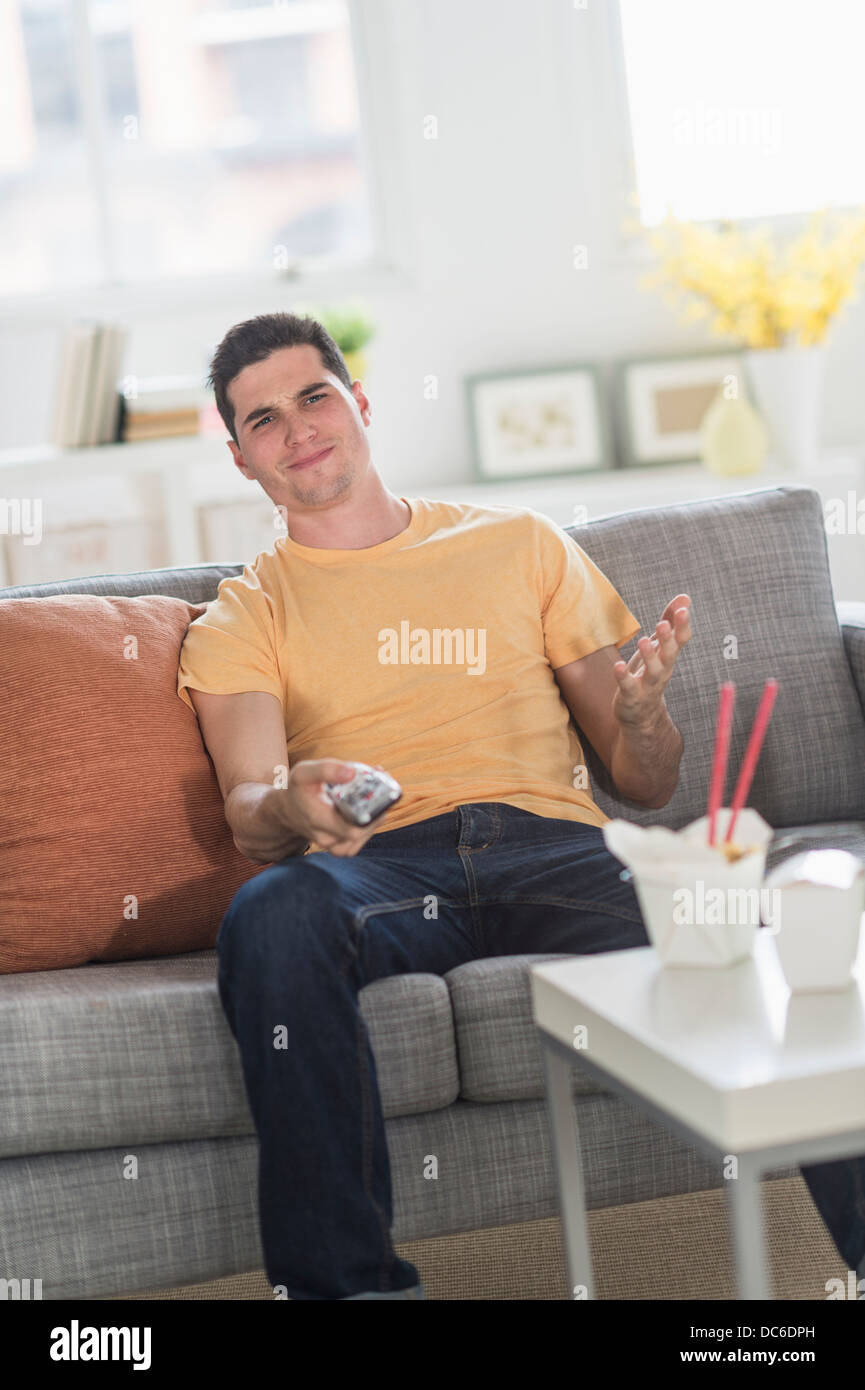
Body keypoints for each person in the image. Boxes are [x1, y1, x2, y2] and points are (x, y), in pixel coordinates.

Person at [177, 311, 865, 1300]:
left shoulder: (518, 544)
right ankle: (350, 1291)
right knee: (270, 915)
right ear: (242, 459)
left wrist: (639, 711)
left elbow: (646, 780)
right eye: (263, 420)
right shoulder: (247, 612)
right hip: (379, 864)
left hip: (554, 847)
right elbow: (247, 809)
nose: (298, 429)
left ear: (360, 402)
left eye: (314, 395)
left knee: (759, 909)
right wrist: (293, 800)